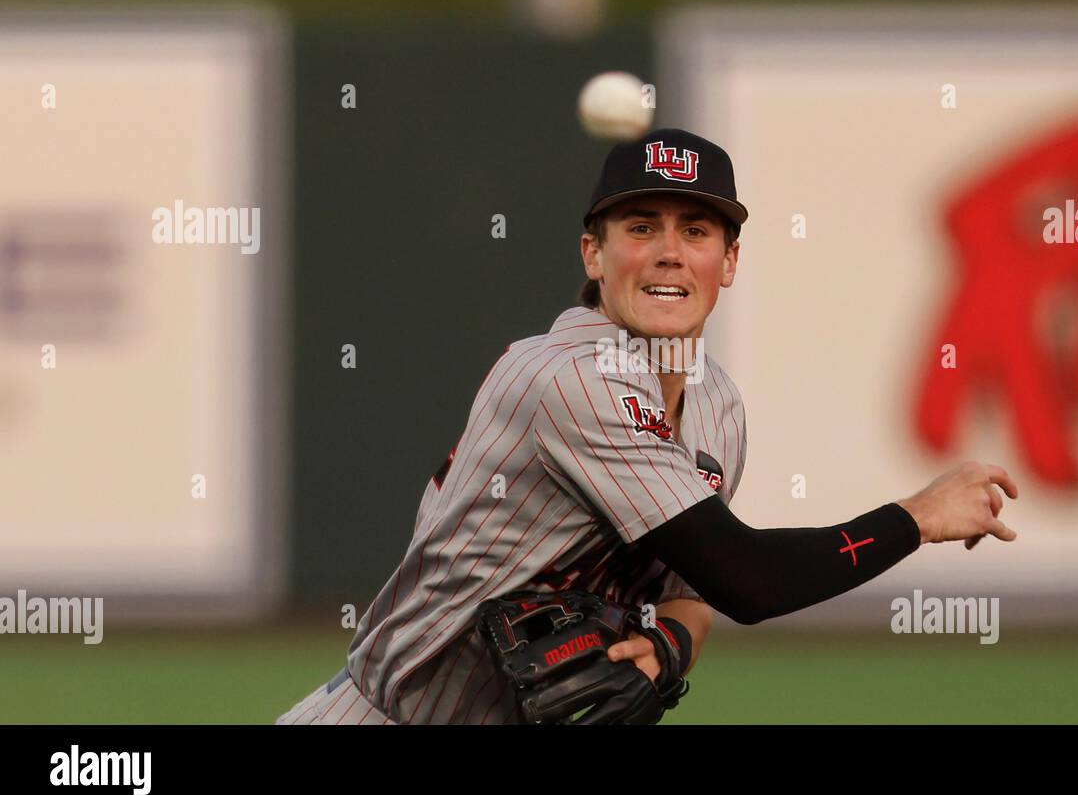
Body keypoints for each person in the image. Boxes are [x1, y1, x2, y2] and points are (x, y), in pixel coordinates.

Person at [276, 128, 1019, 725]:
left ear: (728, 261)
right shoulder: (569, 377)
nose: (669, 250)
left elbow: (692, 595)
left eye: (696, 230)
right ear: (593, 253)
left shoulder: (717, 406)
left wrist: (666, 644)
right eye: (641, 226)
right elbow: (747, 580)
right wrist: (916, 517)